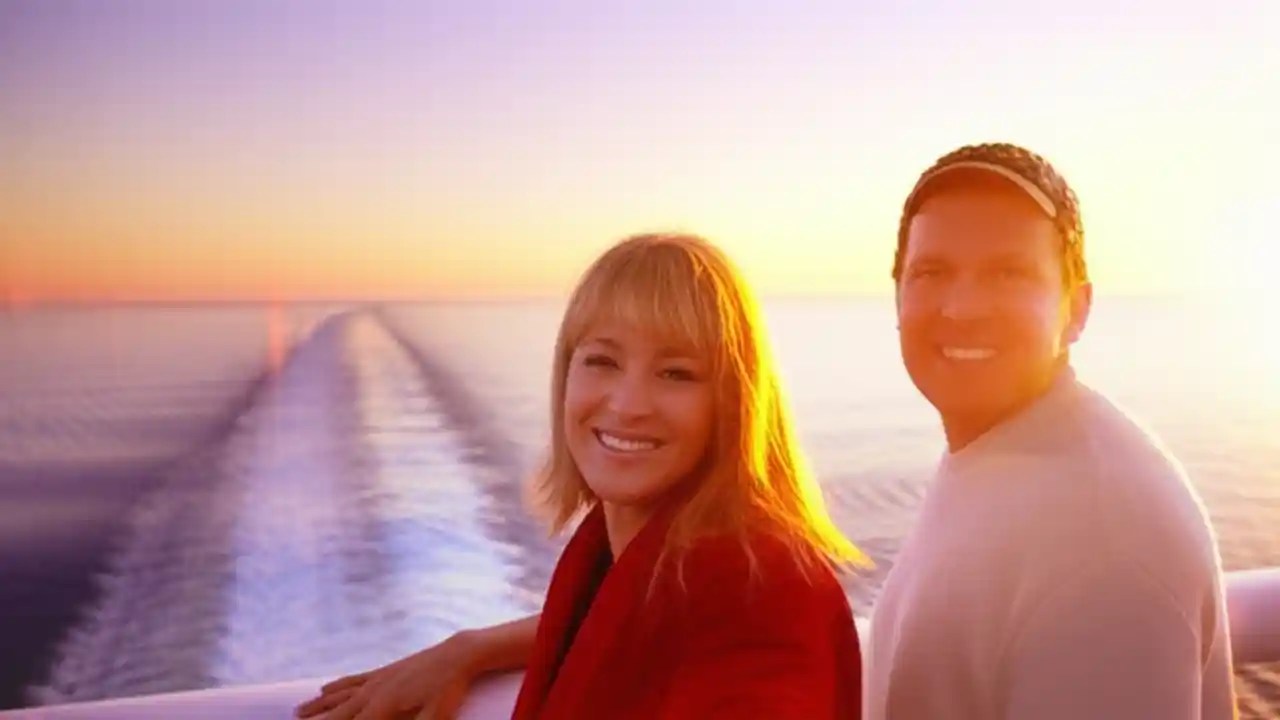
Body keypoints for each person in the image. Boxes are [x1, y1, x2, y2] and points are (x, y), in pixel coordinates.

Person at [296, 232, 866, 720]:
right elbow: (628, 622)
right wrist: (472, 648)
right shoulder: (627, 550)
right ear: (565, 373)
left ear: (735, 404)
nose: (627, 404)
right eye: (602, 361)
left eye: (676, 373)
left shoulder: (761, 598)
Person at [866, 142, 1237, 718]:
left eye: (1007, 273)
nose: (962, 307)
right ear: (898, 294)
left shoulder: (1104, 539)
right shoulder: (1004, 457)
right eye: (932, 271)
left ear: (1076, 309)